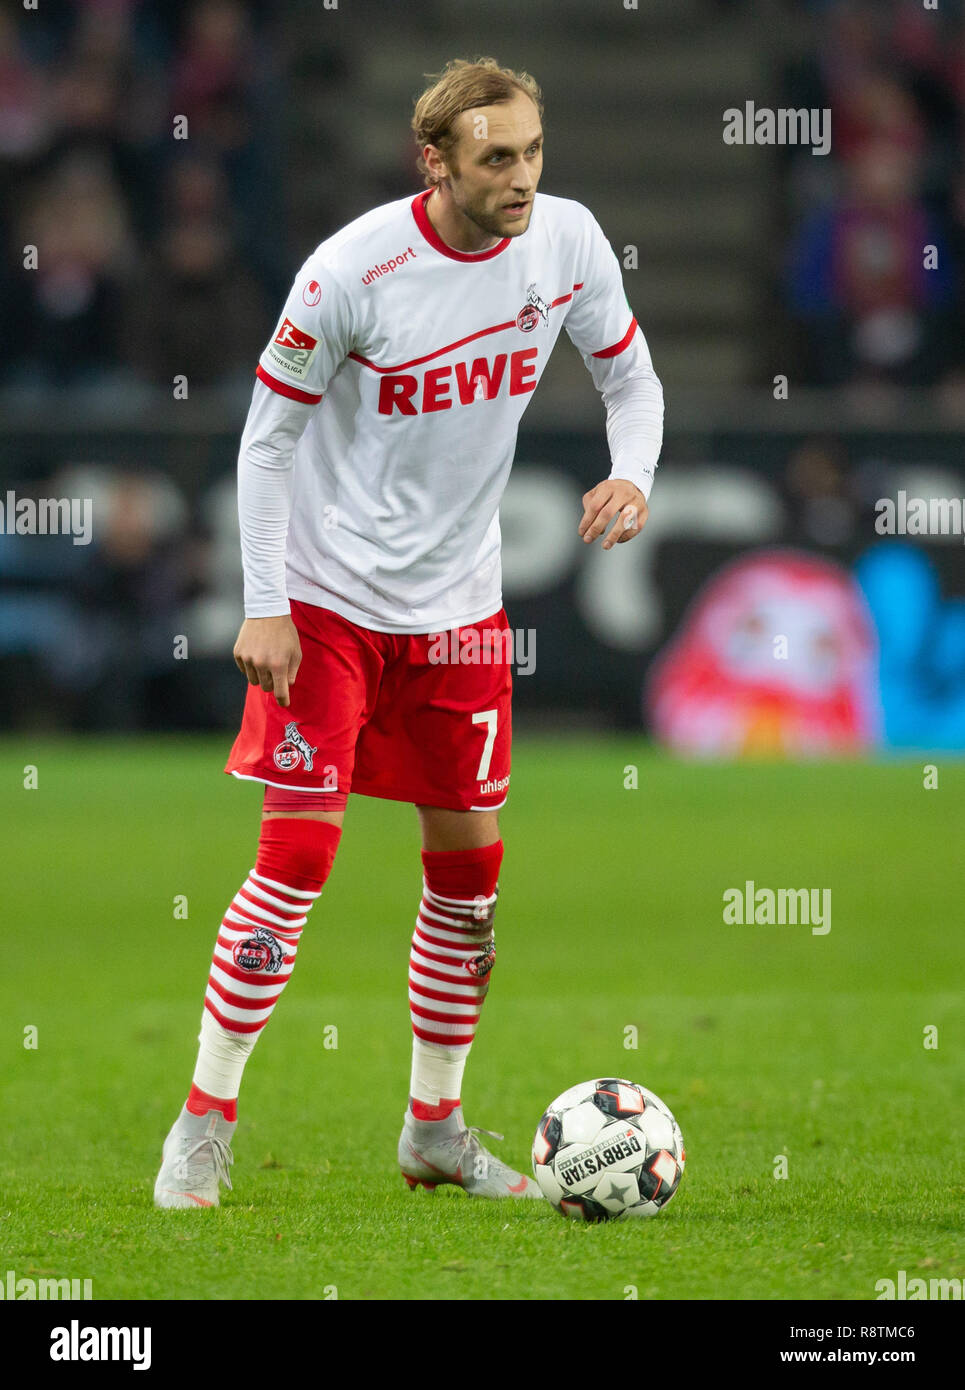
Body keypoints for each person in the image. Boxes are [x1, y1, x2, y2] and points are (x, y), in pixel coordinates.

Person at [154, 57, 663, 1208]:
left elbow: (632, 381)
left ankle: (434, 1125)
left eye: (532, 152)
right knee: (297, 857)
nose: (522, 177)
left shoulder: (568, 243)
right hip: (328, 603)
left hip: (461, 614)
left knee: (469, 877)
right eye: (497, 159)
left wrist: (630, 474)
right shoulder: (351, 270)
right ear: (433, 162)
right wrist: (266, 603)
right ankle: (202, 1120)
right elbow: (264, 442)